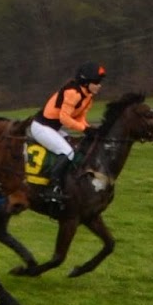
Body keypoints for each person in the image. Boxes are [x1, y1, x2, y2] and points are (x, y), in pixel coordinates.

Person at [29, 62, 105, 205]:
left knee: (74, 147)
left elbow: (80, 117)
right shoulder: (73, 93)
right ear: (86, 81)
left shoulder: (88, 96)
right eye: (96, 82)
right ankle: (51, 188)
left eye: (100, 82)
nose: (99, 85)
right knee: (67, 152)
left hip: (53, 128)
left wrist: (88, 128)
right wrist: (84, 129)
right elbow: (65, 118)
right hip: (41, 126)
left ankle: (66, 182)